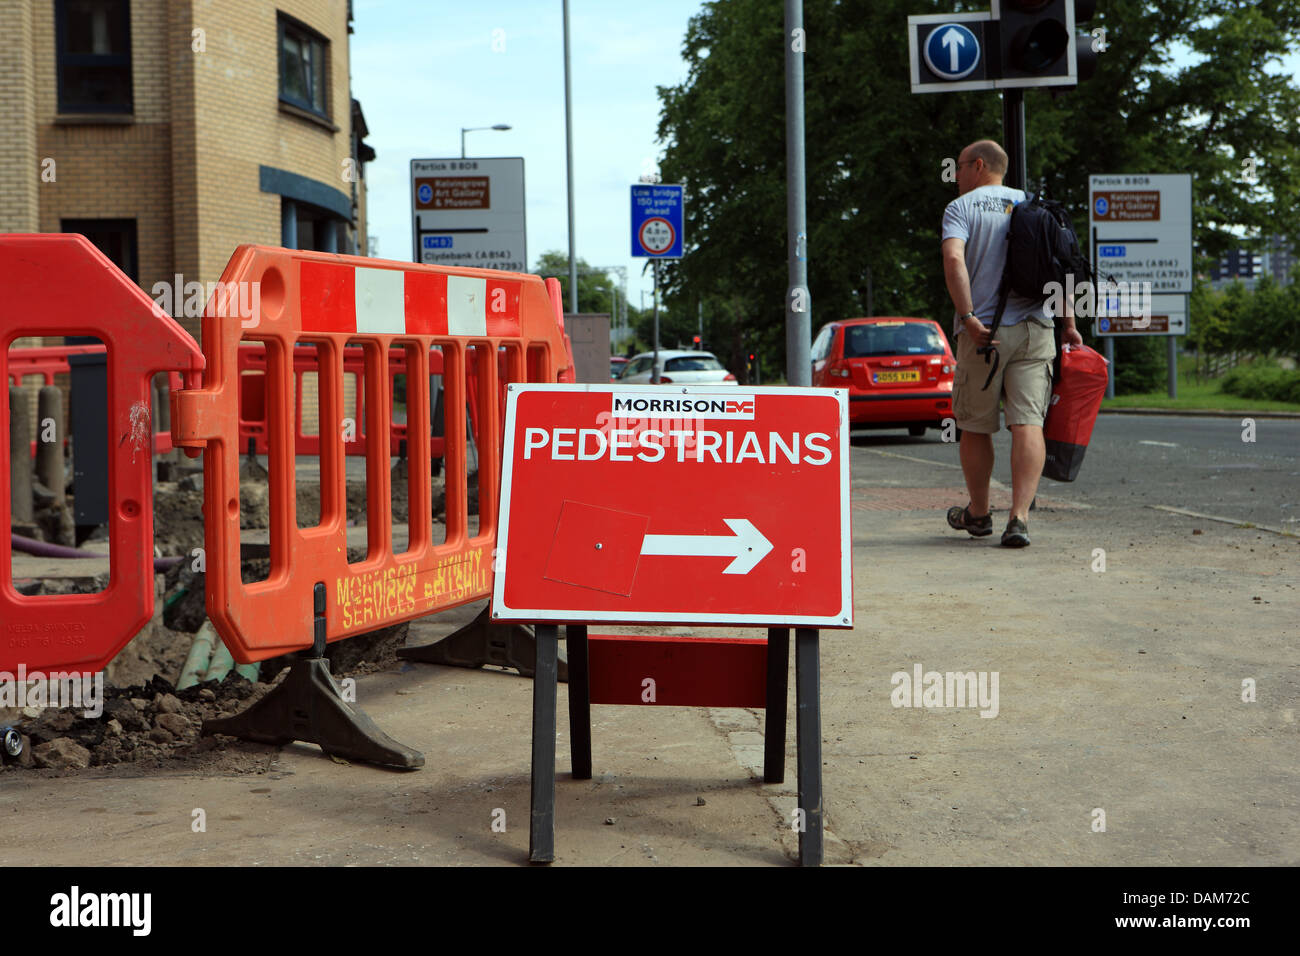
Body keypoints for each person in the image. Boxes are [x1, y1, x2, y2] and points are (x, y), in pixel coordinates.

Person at [940, 140, 1082, 547]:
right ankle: (1019, 518)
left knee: (974, 425)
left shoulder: (961, 209)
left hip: (984, 334)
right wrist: (1068, 323)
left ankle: (980, 513)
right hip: (1037, 330)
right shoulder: (1034, 205)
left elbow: (953, 261)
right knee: (1028, 424)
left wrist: (968, 318)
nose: (956, 175)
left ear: (979, 165)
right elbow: (1062, 265)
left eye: (960, 166)